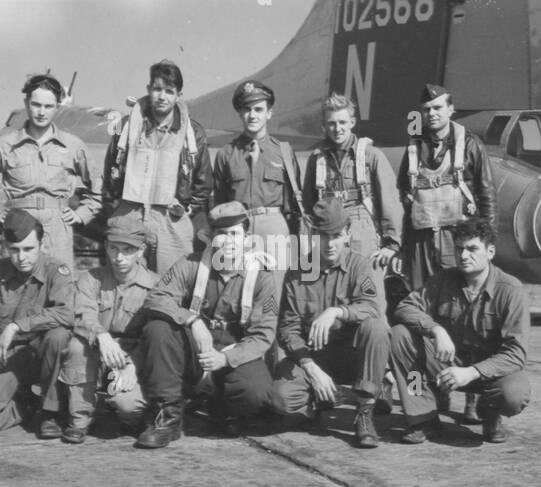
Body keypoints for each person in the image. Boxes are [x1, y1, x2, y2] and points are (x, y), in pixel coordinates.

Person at [134, 201, 277, 449]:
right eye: (221, 234)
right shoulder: (190, 264)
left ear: (247, 238)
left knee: (258, 393)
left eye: (235, 234)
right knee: (158, 328)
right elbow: (156, 298)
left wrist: (226, 359)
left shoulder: (262, 277)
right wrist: (193, 320)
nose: (228, 242)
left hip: (233, 353)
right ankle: (166, 417)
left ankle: (222, 409)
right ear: (210, 237)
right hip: (193, 351)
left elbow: (263, 336)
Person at [397, 83, 499, 424]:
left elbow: (486, 194)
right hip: (422, 244)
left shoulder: (470, 146)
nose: (432, 114)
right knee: (426, 316)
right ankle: (435, 391)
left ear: (450, 110)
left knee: (467, 316)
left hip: (459, 243)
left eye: (438, 108)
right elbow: (403, 198)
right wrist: (400, 246)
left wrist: (485, 246)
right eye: (426, 109)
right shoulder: (413, 149)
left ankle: (472, 395)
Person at [389, 218, 530, 445]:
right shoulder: (444, 280)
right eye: (459, 249)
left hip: (487, 374)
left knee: (514, 394)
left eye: (472, 249)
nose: (464, 256)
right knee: (400, 336)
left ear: (490, 251)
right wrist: (435, 329)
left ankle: (490, 413)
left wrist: (472, 372)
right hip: (446, 365)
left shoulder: (511, 291)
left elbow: (516, 353)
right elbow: (405, 307)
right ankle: (422, 415)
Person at [270, 196, 390, 449]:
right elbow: (287, 329)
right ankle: (327, 396)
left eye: (336, 235)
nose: (330, 243)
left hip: (351, 357)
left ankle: (365, 410)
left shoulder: (359, 265)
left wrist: (337, 311)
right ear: (313, 235)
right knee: (280, 399)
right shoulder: (298, 270)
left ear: (347, 234)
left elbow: (370, 307)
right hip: (314, 357)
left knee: (377, 328)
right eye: (323, 236)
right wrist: (310, 367)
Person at [0, 209, 76, 438]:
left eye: (29, 249)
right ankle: (24, 407)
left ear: (42, 243)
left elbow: (66, 314)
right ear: (5, 247)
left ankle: (51, 412)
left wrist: (15, 326)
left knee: (58, 336)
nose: (21, 257)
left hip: (46, 360)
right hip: (8, 361)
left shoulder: (56, 271)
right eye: (14, 250)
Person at [0, 73, 100, 268]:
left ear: (57, 108)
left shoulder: (74, 146)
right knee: (19, 292)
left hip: (58, 227)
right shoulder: (4, 145)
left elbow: (97, 187)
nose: (42, 112)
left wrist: (83, 214)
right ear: (26, 103)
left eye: (48, 106)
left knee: (59, 290)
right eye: (36, 105)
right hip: (19, 227)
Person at [42, 217, 158, 444]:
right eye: (114, 248)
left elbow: (154, 336)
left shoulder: (155, 284)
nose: (119, 257)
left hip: (133, 354)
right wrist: (102, 336)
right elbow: (83, 314)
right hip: (98, 347)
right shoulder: (90, 279)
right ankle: (79, 418)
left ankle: (134, 416)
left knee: (128, 407)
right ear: (105, 246)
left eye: (128, 250)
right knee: (76, 346)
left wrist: (134, 364)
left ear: (141, 251)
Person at [101, 59, 213, 274]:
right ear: (148, 89)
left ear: (179, 95)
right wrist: (115, 212)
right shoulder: (126, 127)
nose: (162, 97)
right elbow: (110, 174)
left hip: (170, 221)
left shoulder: (193, 133)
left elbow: (203, 182)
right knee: (124, 283)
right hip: (129, 214)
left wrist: (186, 210)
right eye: (157, 89)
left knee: (171, 285)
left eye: (169, 91)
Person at [300, 93, 402, 313]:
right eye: (331, 123)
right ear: (324, 126)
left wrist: (391, 245)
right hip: (329, 236)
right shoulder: (316, 159)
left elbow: (390, 202)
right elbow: (309, 206)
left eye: (342, 122)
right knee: (331, 298)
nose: (338, 129)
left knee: (370, 299)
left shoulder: (371, 156)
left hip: (362, 232)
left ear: (352, 123)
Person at [211, 80, 303, 305]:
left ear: (269, 113)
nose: (252, 115)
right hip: (237, 229)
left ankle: (273, 340)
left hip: (273, 227)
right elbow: (219, 202)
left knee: (275, 289)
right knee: (237, 287)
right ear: (240, 113)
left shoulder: (283, 152)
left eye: (259, 109)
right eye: (247, 109)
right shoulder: (226, 154)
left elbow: (294, 202)